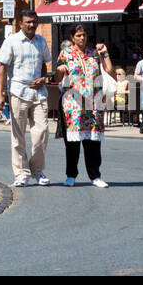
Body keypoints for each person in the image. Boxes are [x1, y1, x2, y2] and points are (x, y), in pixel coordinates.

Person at [0, 10, 52, 187]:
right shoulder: (11, 41)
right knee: (18, 136)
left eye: (33, 22)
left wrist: (43, 78)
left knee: (42, 132)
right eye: (27, 22)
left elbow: (44, 65)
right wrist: (0, 94)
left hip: (39, 92)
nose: (31, 25)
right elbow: (3, 68)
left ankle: (37, 171)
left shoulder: (41, 41)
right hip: (18, 91)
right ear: (20, 23)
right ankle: (21, 173)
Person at [54, 24, 113, 187]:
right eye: (79, 35)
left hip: (93, 102)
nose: (82, 38)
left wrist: (105, 53)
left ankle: (95, 176)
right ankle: (71, 175)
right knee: (72, 142)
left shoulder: (94, 53)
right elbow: (58, 78)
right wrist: (60, 69)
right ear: (72, 37)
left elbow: (109, 70)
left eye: (84, 35)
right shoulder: (66, 53)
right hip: (72, 103)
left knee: (93, 142)